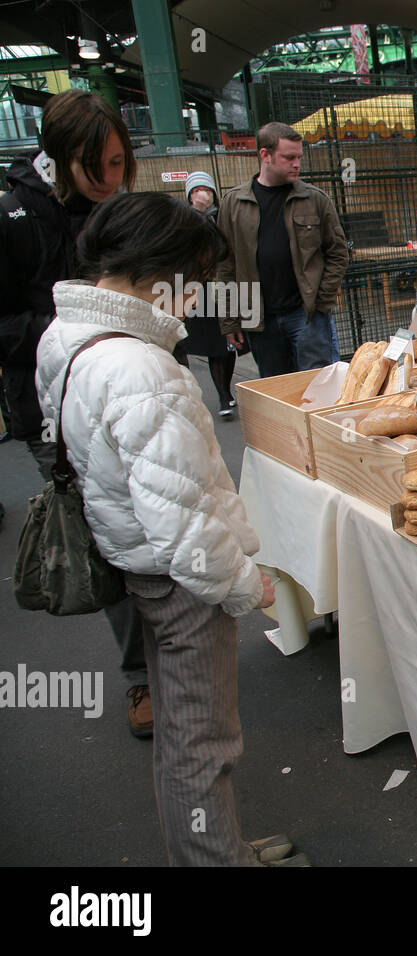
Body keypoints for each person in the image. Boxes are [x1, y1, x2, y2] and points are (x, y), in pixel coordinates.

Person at [36, 191, 301, 867]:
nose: (197, 299)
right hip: (177, 581)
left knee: (185, 735)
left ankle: (214, 847)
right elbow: (184, 529)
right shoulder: (141, 369)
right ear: (166, 272)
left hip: (129, 557)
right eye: (197, 280)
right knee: (202, 741)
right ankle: (216, 860)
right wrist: (248, 585)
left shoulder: (66, 336)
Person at [0, 89, 154, 739]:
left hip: (128, 392)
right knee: (107, 535)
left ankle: (172, 654)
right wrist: (82, 328)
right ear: (61, 160)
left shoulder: (107, 209)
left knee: (152, 518)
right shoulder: (13, 217)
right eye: (101, 167)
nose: (113, 179)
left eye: (121, 163)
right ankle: (139, 678)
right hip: (51, 409)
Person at [216, 121, 348, 378]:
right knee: (276, 386)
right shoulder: (234, 203)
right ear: (265, 155)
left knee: (319, 383)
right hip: (260, 318)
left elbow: (338, 252)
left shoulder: (314, 199)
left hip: (306, 314)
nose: (297, 164)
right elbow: (224, 264)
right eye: (289, 157)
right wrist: (229, 320)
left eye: (299, 157)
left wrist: (321, 300)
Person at [178, 170, 239, 418]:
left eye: (204, 189)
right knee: (215, 344)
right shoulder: (185, 221)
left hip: (227, 288)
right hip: (201, 292)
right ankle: (223, 396)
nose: (201, 194)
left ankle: (227, 391)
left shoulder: (224, 216)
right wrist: (196, 215)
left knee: (230, 346)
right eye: (194, 191)